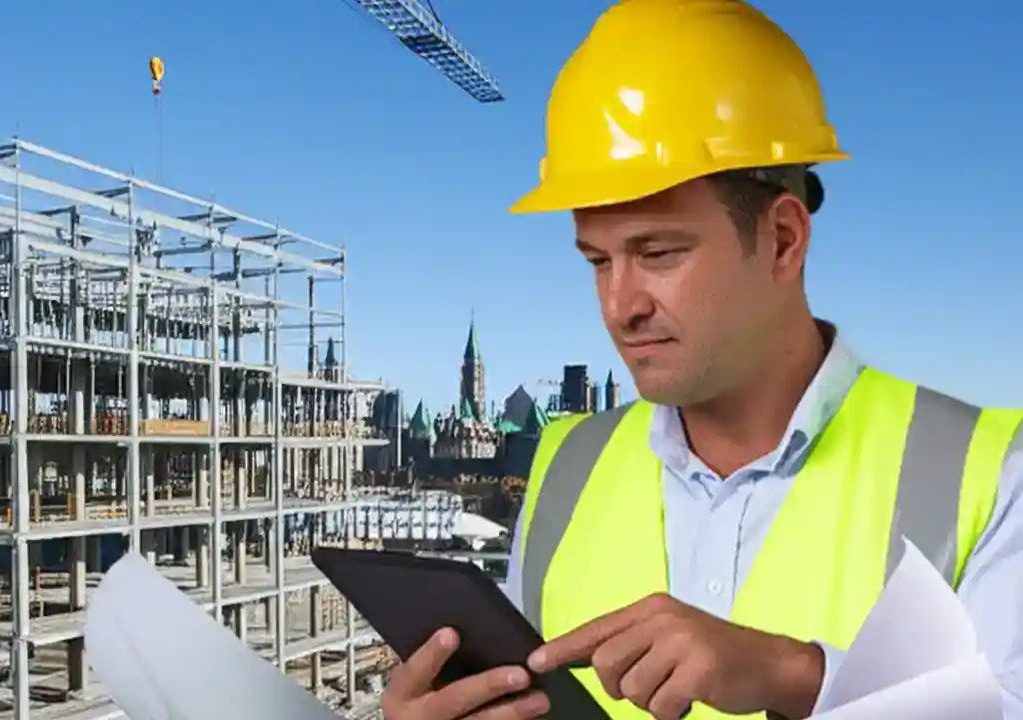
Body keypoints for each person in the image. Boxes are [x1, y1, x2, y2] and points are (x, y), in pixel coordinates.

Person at [378, 1, 1023, 719]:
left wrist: (796, 675)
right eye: (598, 260)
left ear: (782, 240)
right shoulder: (566, 465)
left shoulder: (987, 473)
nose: (620, 306)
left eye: (659, 254)